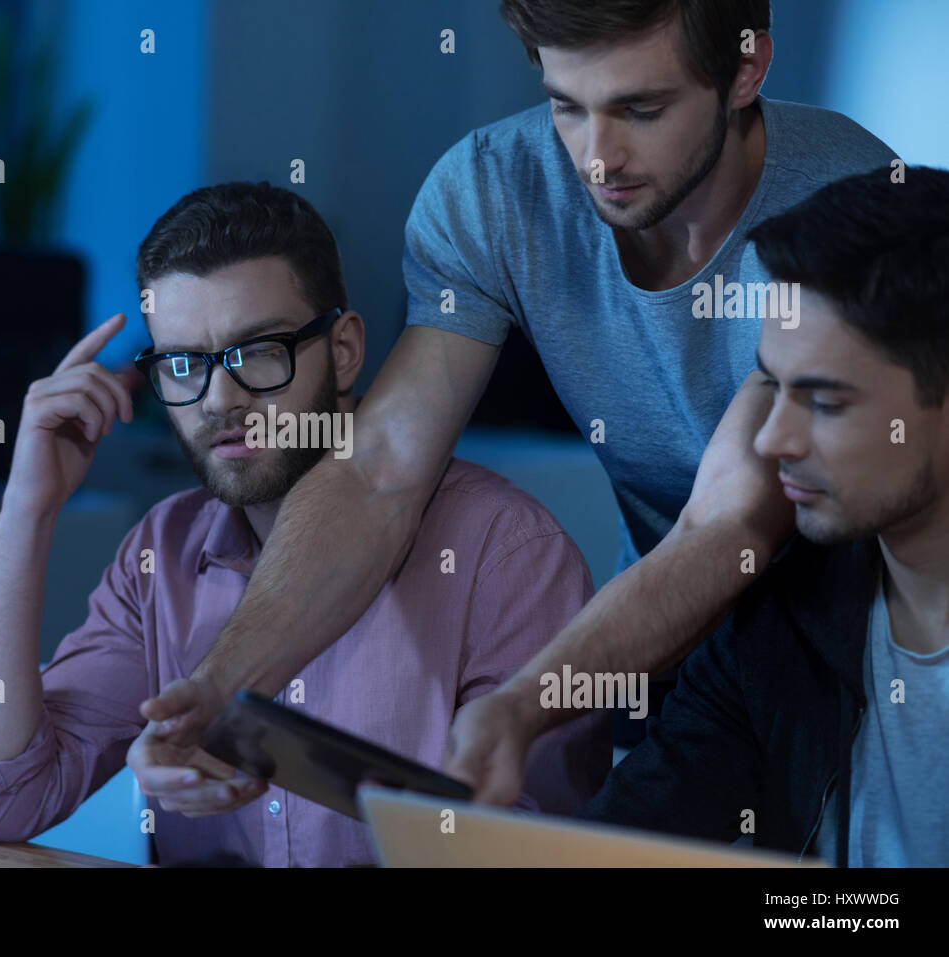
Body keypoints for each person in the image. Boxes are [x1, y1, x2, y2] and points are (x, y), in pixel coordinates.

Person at [138, 0, 897, 806]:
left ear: (746, 70)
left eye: (641, 109)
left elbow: (731, 521)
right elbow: (378, 471)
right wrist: (220, 686)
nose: (598, 158)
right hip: (667, 634)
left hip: (863, 630)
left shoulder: (845, 202)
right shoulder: (491, 192)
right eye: (567, 106)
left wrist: (520, 705)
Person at [0, 182, 610, 866]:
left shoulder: (505, 551)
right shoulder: (161, 554)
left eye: (257, 351)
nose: (221, 400)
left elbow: (531, 851)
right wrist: (27, 508)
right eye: (182, 364)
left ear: (344, 351)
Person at [575, 166, 949, 865]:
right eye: (772, 385)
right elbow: (625, 838)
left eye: (827, 401)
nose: (772, 438)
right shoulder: (783, 621)